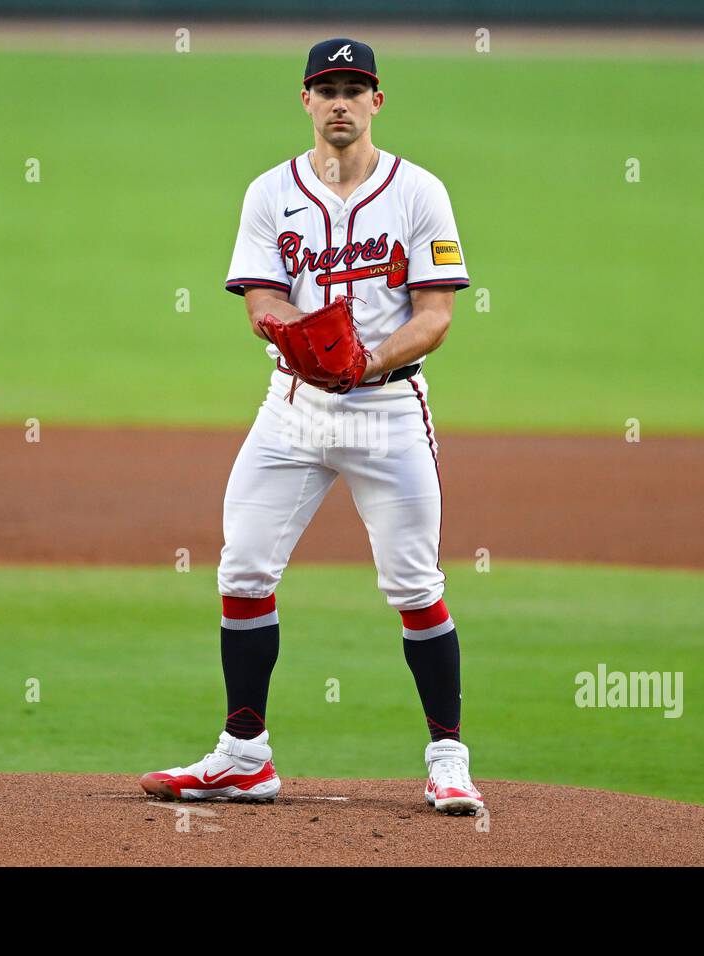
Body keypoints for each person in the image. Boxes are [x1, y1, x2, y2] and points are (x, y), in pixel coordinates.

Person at [139, 38, 482, 814]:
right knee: (243, 570)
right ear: (304, 100)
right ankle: (243, 756)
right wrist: (298, 332)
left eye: (354, 88)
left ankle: (449, 759)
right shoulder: (270, 192)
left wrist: (363, 361)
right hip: (292, 411)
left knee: (416, 587)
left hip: (389, 413)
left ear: (377, 101)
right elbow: (261, 300)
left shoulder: (420, 192)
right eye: (326, 88)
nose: (340, 101)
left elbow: (435, 317)